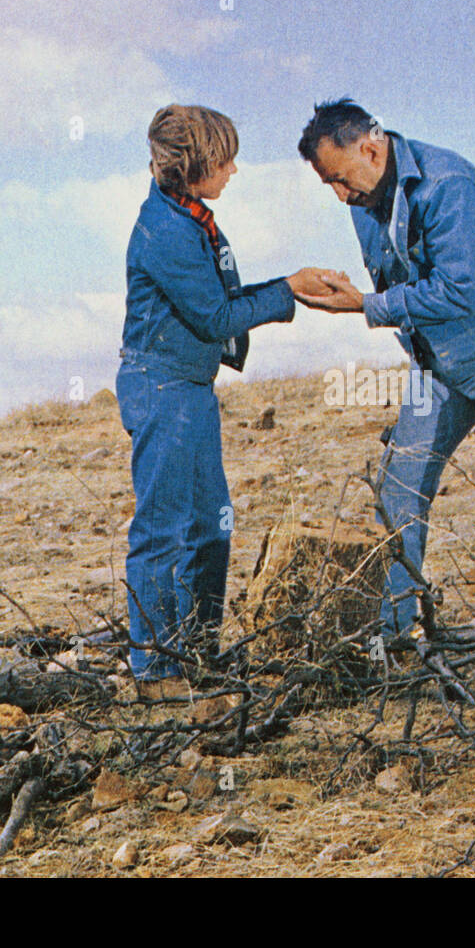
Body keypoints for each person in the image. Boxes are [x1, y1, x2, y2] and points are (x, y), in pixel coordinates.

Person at [294, 99, 475, 658]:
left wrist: (364, 306)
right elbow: (402, 284)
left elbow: (458, 291)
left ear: (370, 149)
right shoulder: (364, 198)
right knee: (399, 485)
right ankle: (391, 638)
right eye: (329, 183)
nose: (340, 195)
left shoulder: (451, 186)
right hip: (440, 359)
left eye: (340, 179)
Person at [117, 103, 347, 700]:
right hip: (163, 388)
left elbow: (218, 300)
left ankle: (195, 653)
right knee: (163, 529)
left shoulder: (188, 217)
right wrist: (288, 291)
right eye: (225, 160)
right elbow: (215, 315)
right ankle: (155, 672)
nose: (234, 171)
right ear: (194, 165)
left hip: (188, 389)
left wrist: (287, 288)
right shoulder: (166, 231)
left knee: (209, 526)